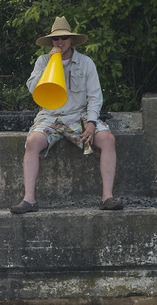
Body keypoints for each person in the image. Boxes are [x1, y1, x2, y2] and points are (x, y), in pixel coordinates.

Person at [11, 16, 123, 214]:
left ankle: (107, 197)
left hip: (77, 116)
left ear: (71, 39)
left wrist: (91, 122)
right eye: (56, 39)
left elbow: (95, 97)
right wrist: (49, 64)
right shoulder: (42, 61)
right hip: (50, 117)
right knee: (32, 141)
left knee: (107, 139)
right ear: (51, 42)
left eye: (63, 38)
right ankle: (29, 200)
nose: (59, 42)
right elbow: (32, 89)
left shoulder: (86, 63)